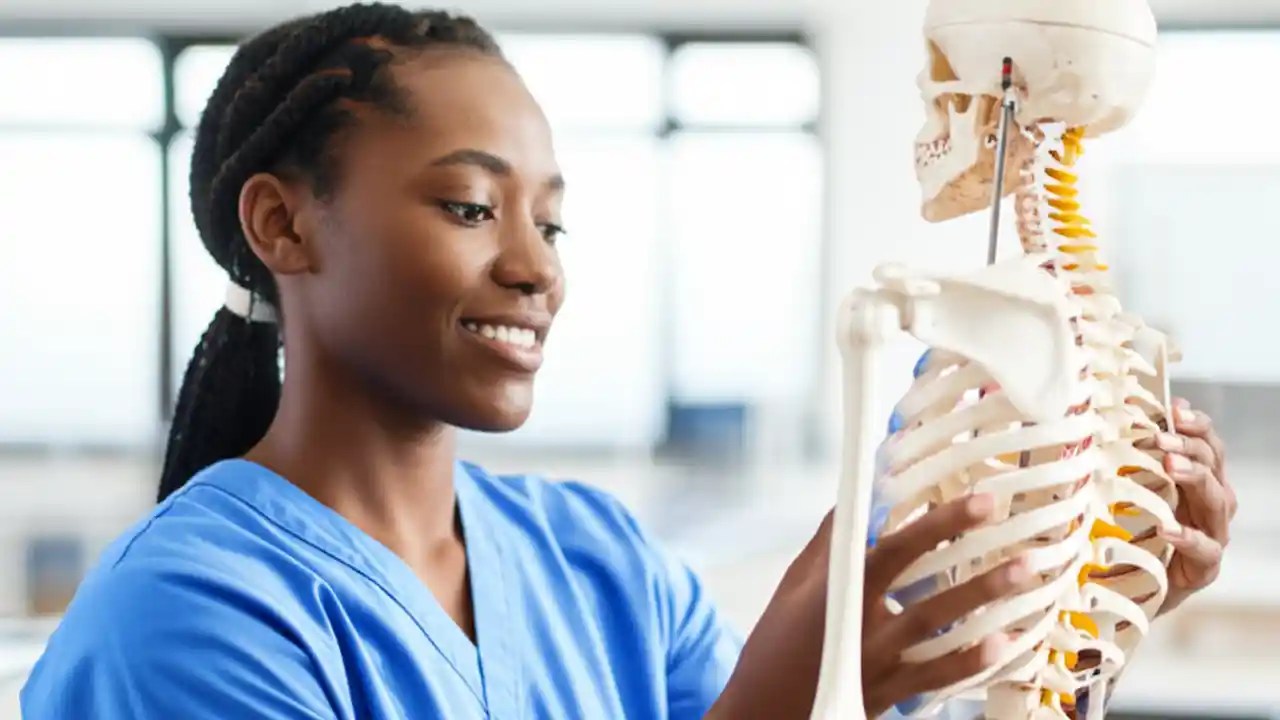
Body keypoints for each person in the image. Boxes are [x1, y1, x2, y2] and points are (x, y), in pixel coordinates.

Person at [20, 4, 1236, 718]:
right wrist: (799, 697)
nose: (533, 268)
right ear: (282, 225)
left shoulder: (595, 562)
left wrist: (1064, 636)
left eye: (550, 224)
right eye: (467, 208)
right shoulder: (185, 619)